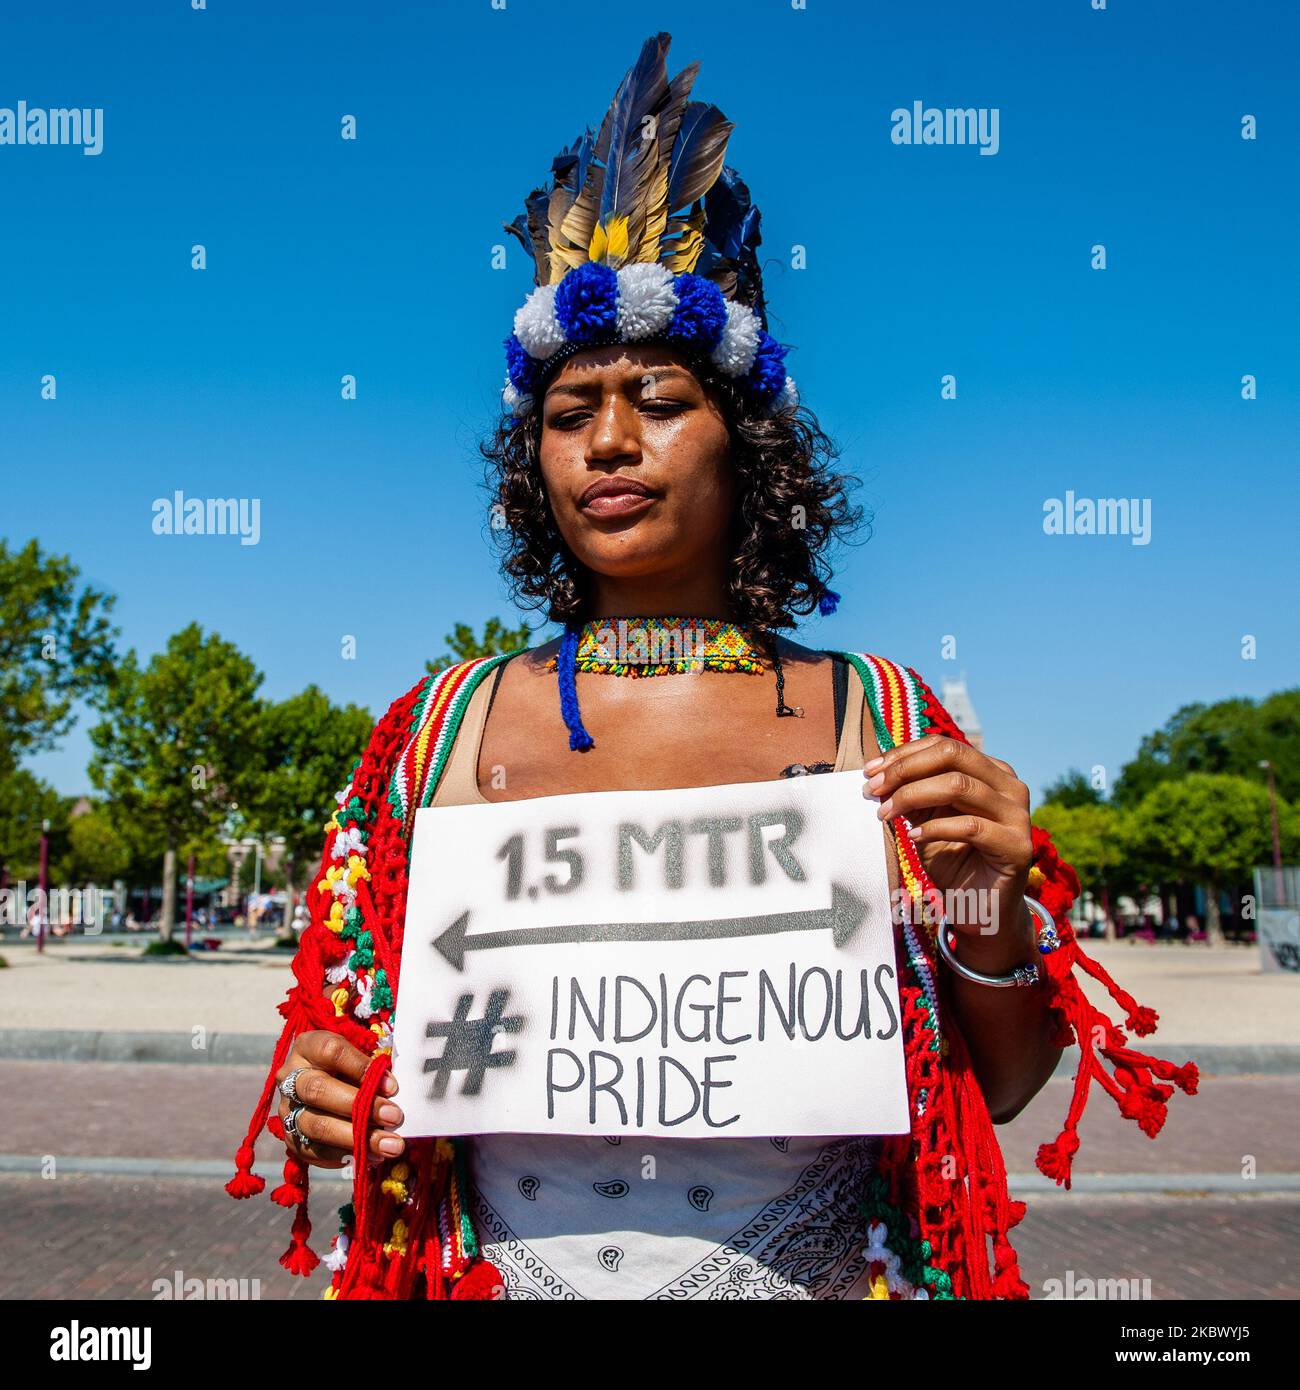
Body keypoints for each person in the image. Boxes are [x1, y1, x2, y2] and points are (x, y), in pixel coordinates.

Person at [227, 33, 1196, 1300]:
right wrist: (330, 1088)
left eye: (660, 400)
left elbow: (1004, 1085)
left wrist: (987, 903)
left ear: (746, 446)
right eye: (568, 416)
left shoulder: (878, 714)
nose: (609, 443)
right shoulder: (434, 731)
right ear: (534, 469)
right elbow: (349, 1045)